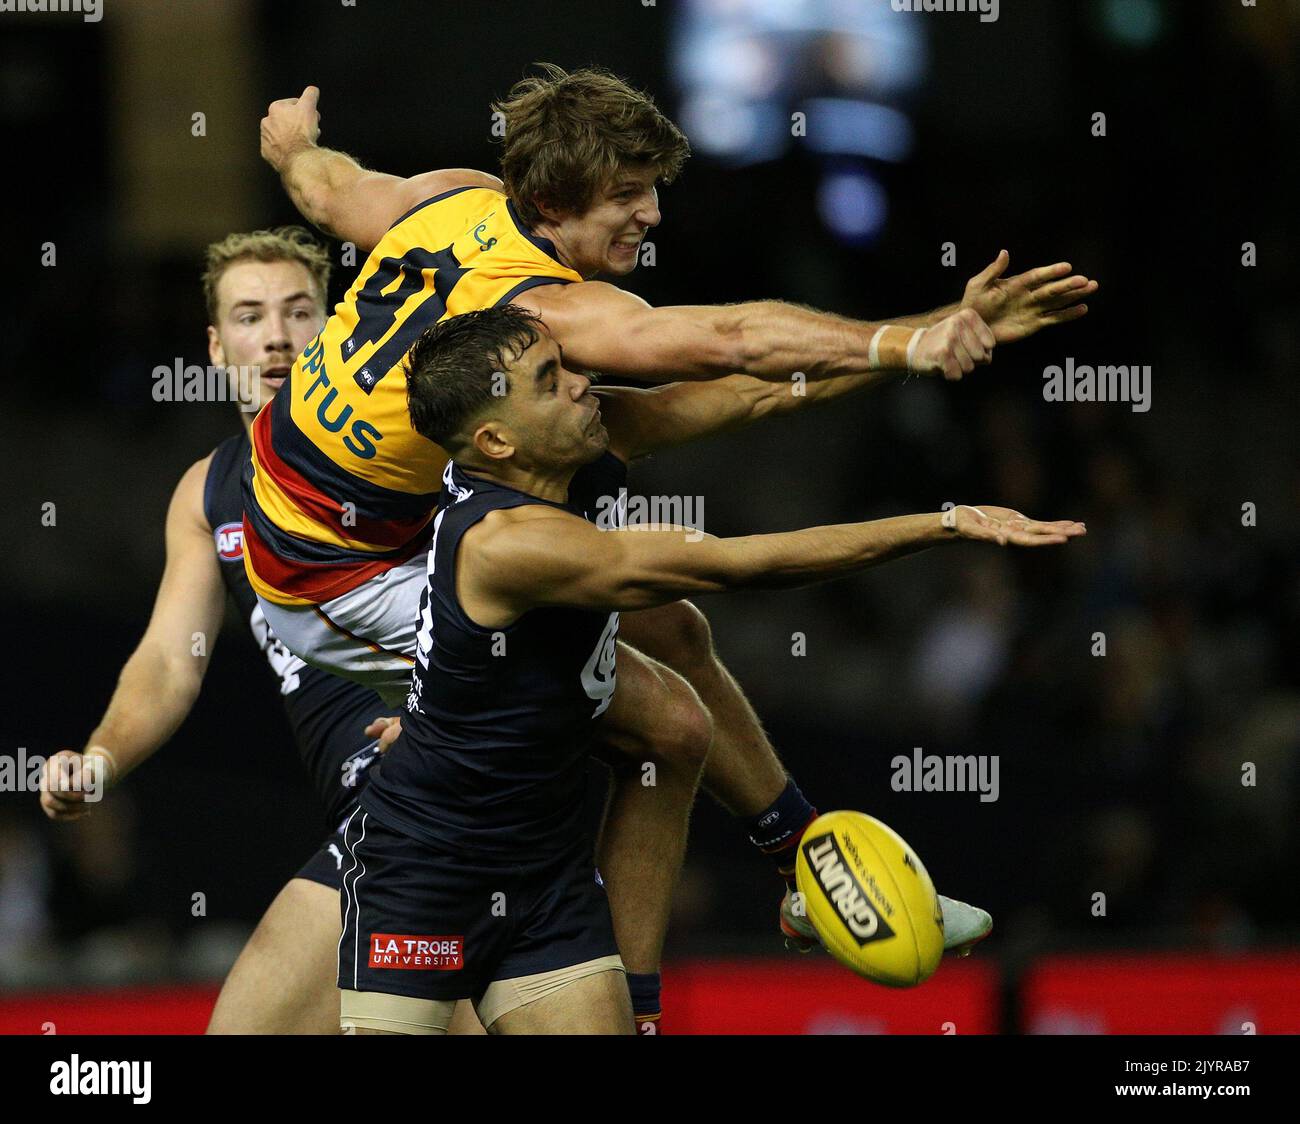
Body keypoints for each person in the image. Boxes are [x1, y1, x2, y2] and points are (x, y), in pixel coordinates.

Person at [249, 68, 1096, 1026]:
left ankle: (803, 865)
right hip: (338, 579)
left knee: (678, 633)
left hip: (315, 504)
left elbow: (330, 188)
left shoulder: (455, 201)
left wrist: (291, 141)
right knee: (670, 729)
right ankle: (640, 1000)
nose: (652, 214)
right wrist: (906, 358)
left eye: (653, 188)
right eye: (627, 194)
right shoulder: (555, 319)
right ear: (554, 199)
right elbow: (735, 341)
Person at [337, 305, 1085, 1034]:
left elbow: (759, 386)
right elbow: (744, 563)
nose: (578, 381)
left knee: (679, 715)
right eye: (547, 379)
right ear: (497, 441)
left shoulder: (584, 443)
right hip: (428, 870)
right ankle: (797, 868)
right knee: (674, 679)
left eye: (563, 363)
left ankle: (790, 874)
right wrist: (945, 522)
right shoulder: (513, 545)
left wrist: (920, 338)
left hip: (544, 871)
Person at [38, 227, 480, 1034]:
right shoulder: (206, 493)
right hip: (368, 815)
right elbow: (172, 661)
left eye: (297, 311)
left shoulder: (410, 447)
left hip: (431, 794)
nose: (275, 334)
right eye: (249, 316)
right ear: (215, 345)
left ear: (334, 331)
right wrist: (101, 756)